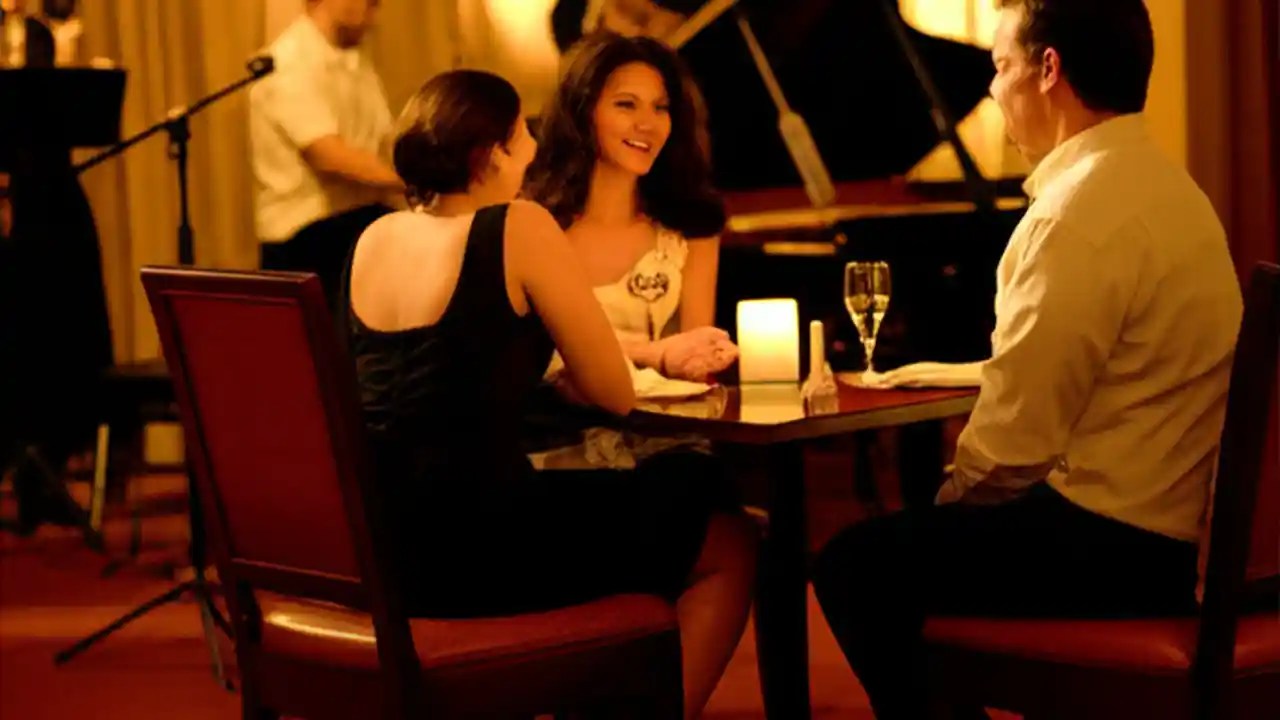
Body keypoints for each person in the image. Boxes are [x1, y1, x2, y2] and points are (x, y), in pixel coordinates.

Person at [810, 1, 1244, 718]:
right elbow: (1109, 366)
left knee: (856, 565)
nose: (992, 90)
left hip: (1116, 551)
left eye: (1000, 67)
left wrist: (947, 507)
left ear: (1049, 70)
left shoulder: (1074, 212)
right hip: (1176, 531)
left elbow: (1012, 450)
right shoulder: (1173, 188)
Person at [344, 69, 756, 720]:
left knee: (662, 499)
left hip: (383, 546)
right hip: (482, 549)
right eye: (520, 137)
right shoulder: (517, 226)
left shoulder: (375, 238)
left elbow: (446, 370)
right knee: (713, 513)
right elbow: (615, 395)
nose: (535, 150)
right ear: (488, 155)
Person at [524, 32, 737, 468]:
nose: (648, 123)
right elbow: (529, 356)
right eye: (626, 105)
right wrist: (649, 354)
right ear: (583, 112)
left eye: (660, 108)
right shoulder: (531, 224)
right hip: (551, 442)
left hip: (662, 446)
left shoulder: (690, 227)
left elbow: (694, 361)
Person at [249, 0, 401, 310]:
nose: (374, 13)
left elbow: (384, 138)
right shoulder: (287, 62)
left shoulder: (354, 58)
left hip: (353, 217)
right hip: (305, 232)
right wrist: (411, 182)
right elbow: (328, 156)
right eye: (369, 3)